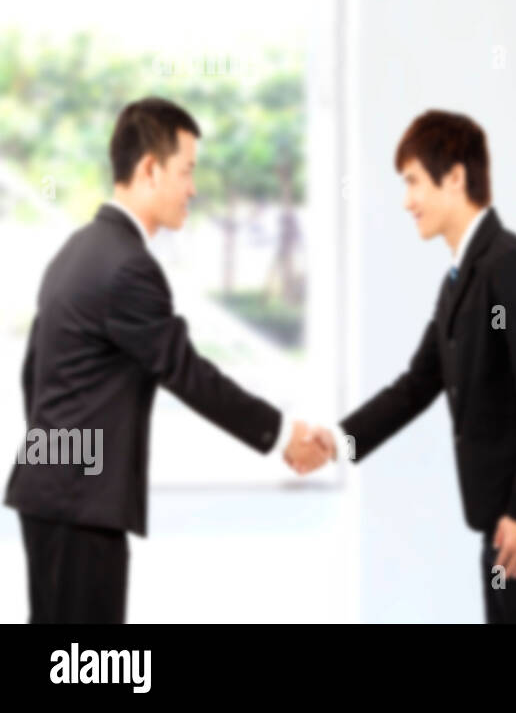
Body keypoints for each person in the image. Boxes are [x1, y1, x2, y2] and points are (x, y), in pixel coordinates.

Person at [5, 96, 328, 623]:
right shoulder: (128, 268)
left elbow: (33, 376)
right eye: (187, 171)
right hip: (80, 505)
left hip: (51, 494)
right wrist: (282, 434)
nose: (193, 189)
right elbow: (189, 374)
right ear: (150, 169)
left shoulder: (75, 250)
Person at [301, 110, 516, 623]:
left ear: (455, 177)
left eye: (413, 181)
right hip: (501, 522)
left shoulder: (510, 266)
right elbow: (416, 385)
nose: (407, 200)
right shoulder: (461, 279)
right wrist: (338, 441)